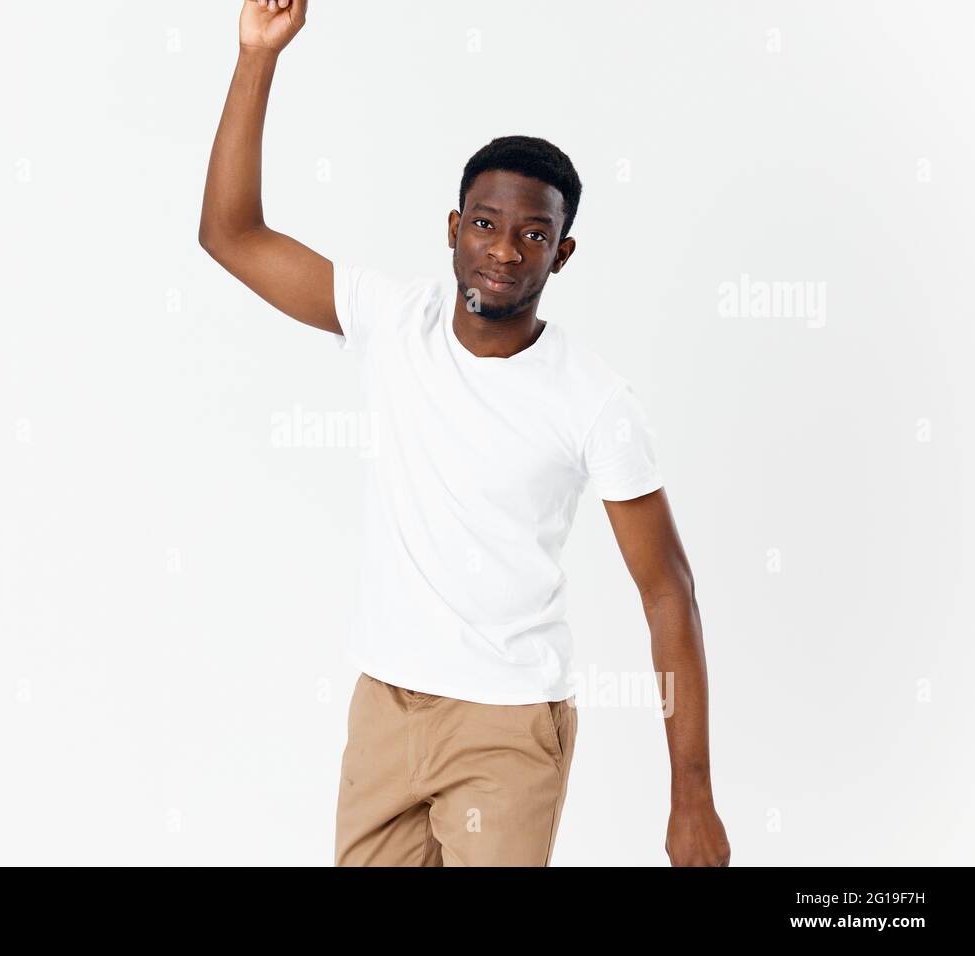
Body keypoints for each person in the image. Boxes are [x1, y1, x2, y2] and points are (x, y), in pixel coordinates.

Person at [198, 0, 730, 867]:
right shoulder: (388, 319)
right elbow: (230, 233)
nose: (505, 250)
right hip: (385, 713)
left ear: (562, 253)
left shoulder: (595, 401)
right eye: (486, 224)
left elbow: (668, 593)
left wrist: (692, 799)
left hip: (506, 728)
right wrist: (257, 55)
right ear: (454, 230)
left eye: (534, 233)